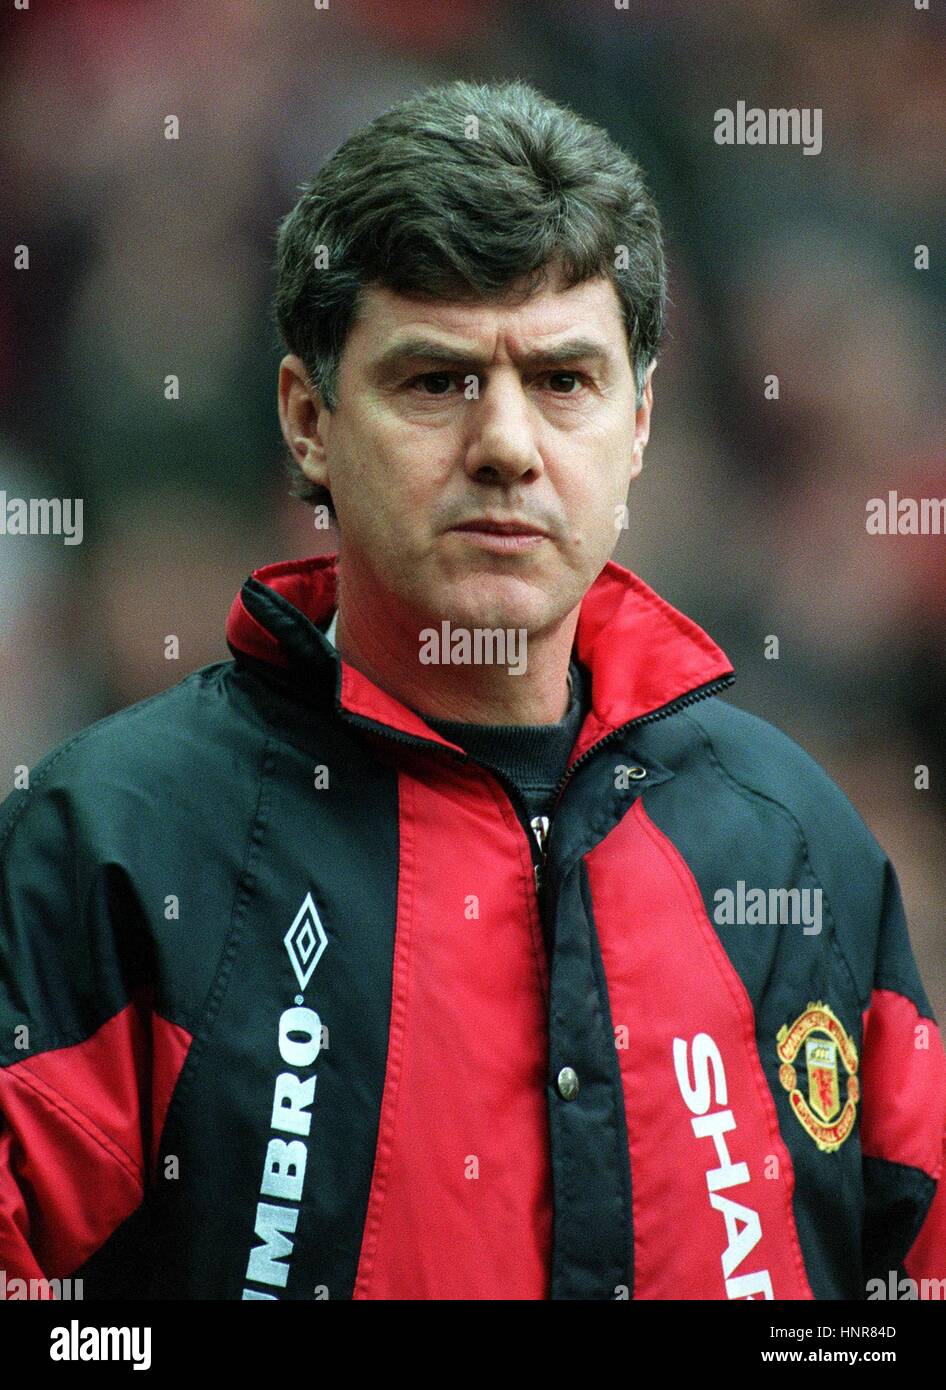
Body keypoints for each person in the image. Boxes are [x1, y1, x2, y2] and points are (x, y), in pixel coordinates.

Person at [1, 78, 943, 1302]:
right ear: (307, 420)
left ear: (640, 422)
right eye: (437, 380)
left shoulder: (796, 844)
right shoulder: (115, 843)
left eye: (564, 381)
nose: (506, 443)